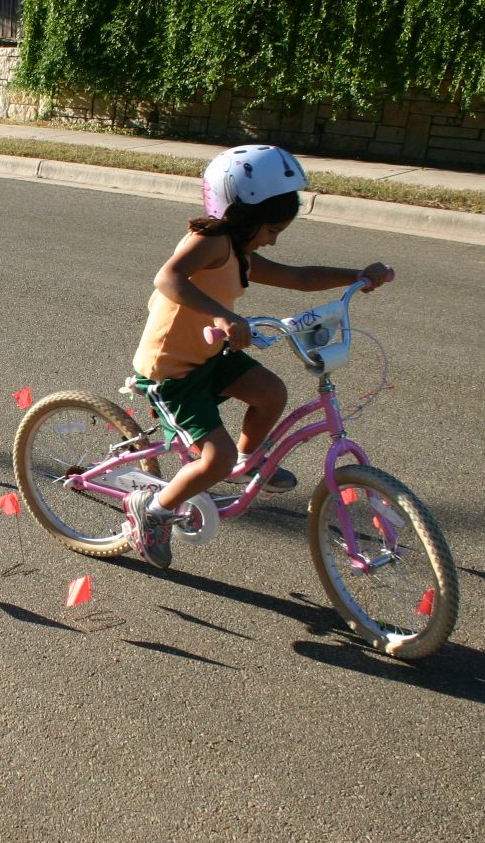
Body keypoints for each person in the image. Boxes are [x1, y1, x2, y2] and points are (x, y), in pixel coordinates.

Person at [124, 144, 392, 569]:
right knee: (216, 459)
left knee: (270, 392)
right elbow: (168, 277)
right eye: (271, 229)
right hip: (172, 370)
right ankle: (154, 511)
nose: (274, 238)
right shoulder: (210, 241)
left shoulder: (238, 251)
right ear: (244, 215)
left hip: (208, 356)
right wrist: (223, 316)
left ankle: (247, 464)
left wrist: (357, 276)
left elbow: (298, 277)